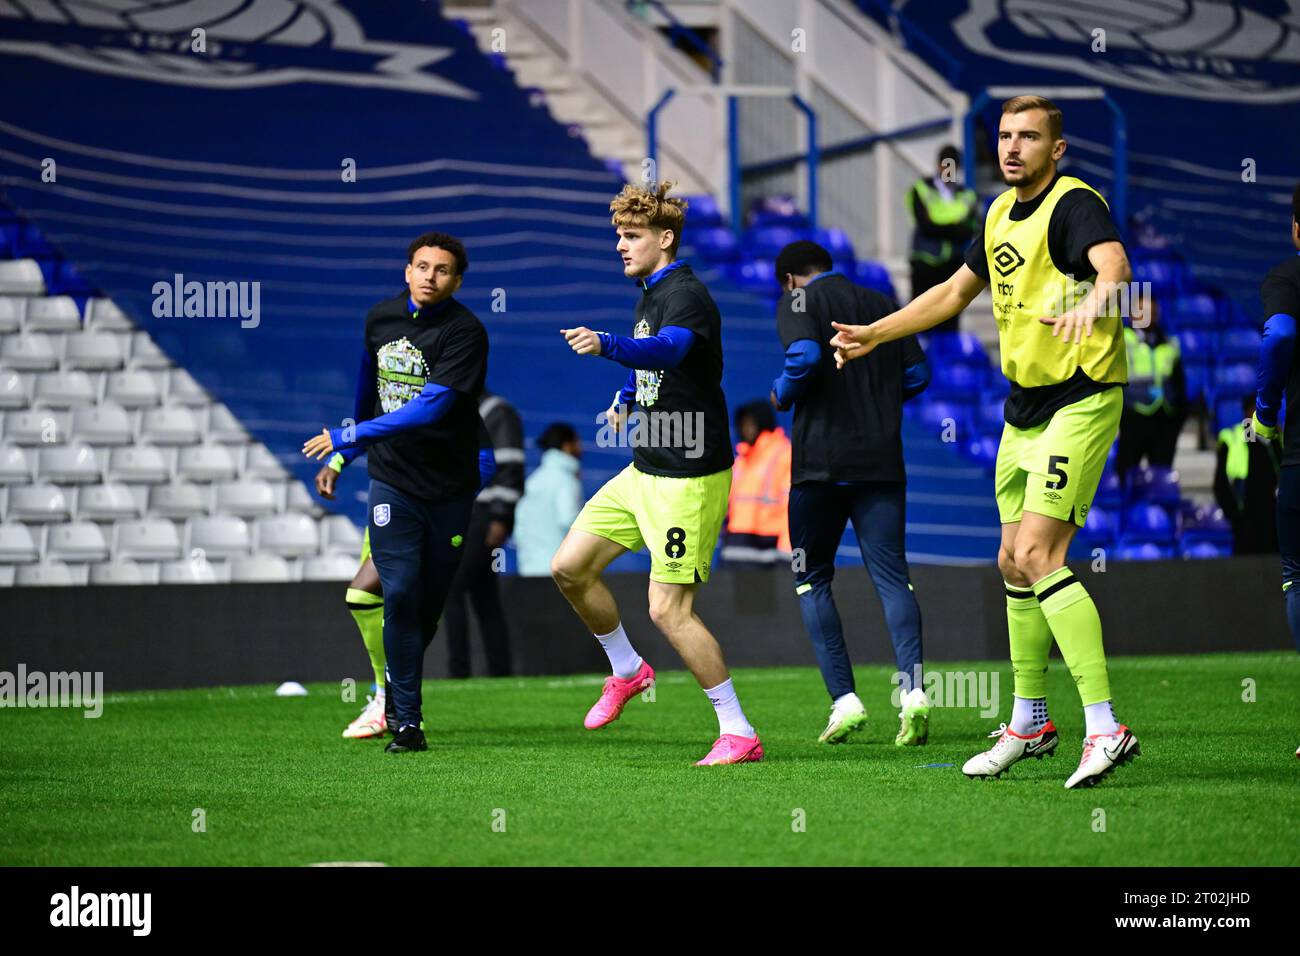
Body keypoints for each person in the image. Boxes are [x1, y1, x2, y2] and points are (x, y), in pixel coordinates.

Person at [831, 95, 1140, 789]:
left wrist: (1097, 299)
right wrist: (875, 335)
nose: (1013, 148)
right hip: (1022, 408)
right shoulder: (999, 213)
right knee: (1010, 561)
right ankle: (1030, 722)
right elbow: (950, 293)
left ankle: (1106, 725)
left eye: (1029, 137)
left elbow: (1114, 263)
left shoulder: (1073, 203)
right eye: (1004, 136)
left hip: (1080, 396)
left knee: (1038, 552)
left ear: (1055, 150)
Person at [553, 180, 762, 766]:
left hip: (687, 477)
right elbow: (657, 367)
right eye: (618, 235)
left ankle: (738, 730)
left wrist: (607, 346)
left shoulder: (686, 294)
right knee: (569, 568)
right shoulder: (649, 292)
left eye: (633, 236)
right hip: (646, 466)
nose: (621, 245)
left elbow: (669, 350)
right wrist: (625, 394)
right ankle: (626, 668)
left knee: (668, 610)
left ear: (665, 239)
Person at [304, 231, 489, 754]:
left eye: (443, 269)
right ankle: (406, 722)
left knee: (426, 607)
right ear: (407, 271)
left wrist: (347, 437)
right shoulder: (379, 320)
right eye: (422, 266)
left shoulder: (466, 332)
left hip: (449, 488)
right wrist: (344, 455)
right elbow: (368, 397)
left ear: (457, 279)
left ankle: (391, 697)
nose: (431, 276)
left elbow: (431, 409)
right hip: (392, 483)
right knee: (398, 592)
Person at [771, 239, 932, 746]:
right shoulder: (882, 304)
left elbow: (804, 356)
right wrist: (879, 396)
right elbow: (918, 374)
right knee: (892, 578)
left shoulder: (798, 302)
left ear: (790, 280)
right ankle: (913, 693)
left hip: (820, 465)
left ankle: (846, 702)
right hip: (882, 461)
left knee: (810, 577)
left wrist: (782, 392)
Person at [316, 419, 496, 737]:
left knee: (373, 597)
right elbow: (372, 429)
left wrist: (449, 502)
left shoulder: (447, 397)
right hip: (385, 509)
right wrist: (338, 460)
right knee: (371, 601)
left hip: (426, 518)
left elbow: (485, 459)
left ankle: (393, 701)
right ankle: (391, 701)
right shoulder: (394, 387)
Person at [1249, 180, 1300, 655]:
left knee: (1298, 575)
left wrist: (1266, 411)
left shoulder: (1287, 277)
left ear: (1296, 230)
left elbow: (1280, 335)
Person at [442, 389, 524, 678]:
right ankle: (499, 672)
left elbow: (511, 466)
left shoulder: (495, 410)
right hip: (468, 514)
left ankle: (459, 672)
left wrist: (501, 516)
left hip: (483, 516)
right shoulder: (455, 410)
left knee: (451, 589)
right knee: (483, 595)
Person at [908, 144, 980, 334]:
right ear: (938, 165)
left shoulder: (967, 194)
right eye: (946, 165)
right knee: (919, 314)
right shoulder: (921, 188)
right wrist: (954, 227)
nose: (949, 170)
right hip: (925, 263)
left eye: (954, 166)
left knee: (950, 319)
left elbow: (969, 228)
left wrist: (944, 226)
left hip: (953, 264)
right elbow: (926, 224)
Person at [1117, 296, 1185, 482]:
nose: (1148, 315)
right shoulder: (1122, 340)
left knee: (1161, 477)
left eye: (1152, 311)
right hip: (1132, 417)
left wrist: (1176, 419)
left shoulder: (1170, 343)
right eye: (1142, 310)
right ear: (1132, 315)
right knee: (1127, 474)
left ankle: (1158, 510)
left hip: (1163, 419)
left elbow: (1180, 384)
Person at [722, 400, 791, 566]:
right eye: (743, 424)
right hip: (734, 546)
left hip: (767, 549)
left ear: (763, 421)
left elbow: (791, 507)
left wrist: (787, 551)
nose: (746, 429)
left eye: (751, 423)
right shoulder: (740, 460)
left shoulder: (784, 454)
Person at [515, 423, 584, 576]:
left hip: (528, 571)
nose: (581, 448)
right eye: (577, 442)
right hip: (560, 574)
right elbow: (569, 521)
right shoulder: (566, 481)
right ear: (567, 446)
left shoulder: (532, 481)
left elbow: (519, 530)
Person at [1214, 396, 1280, 555]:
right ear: (1247, 412)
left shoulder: (1278, 440)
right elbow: (1220, 486)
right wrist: (1236, 517)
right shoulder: (1232, 440)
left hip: (1275, 524)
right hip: (1245, 524)